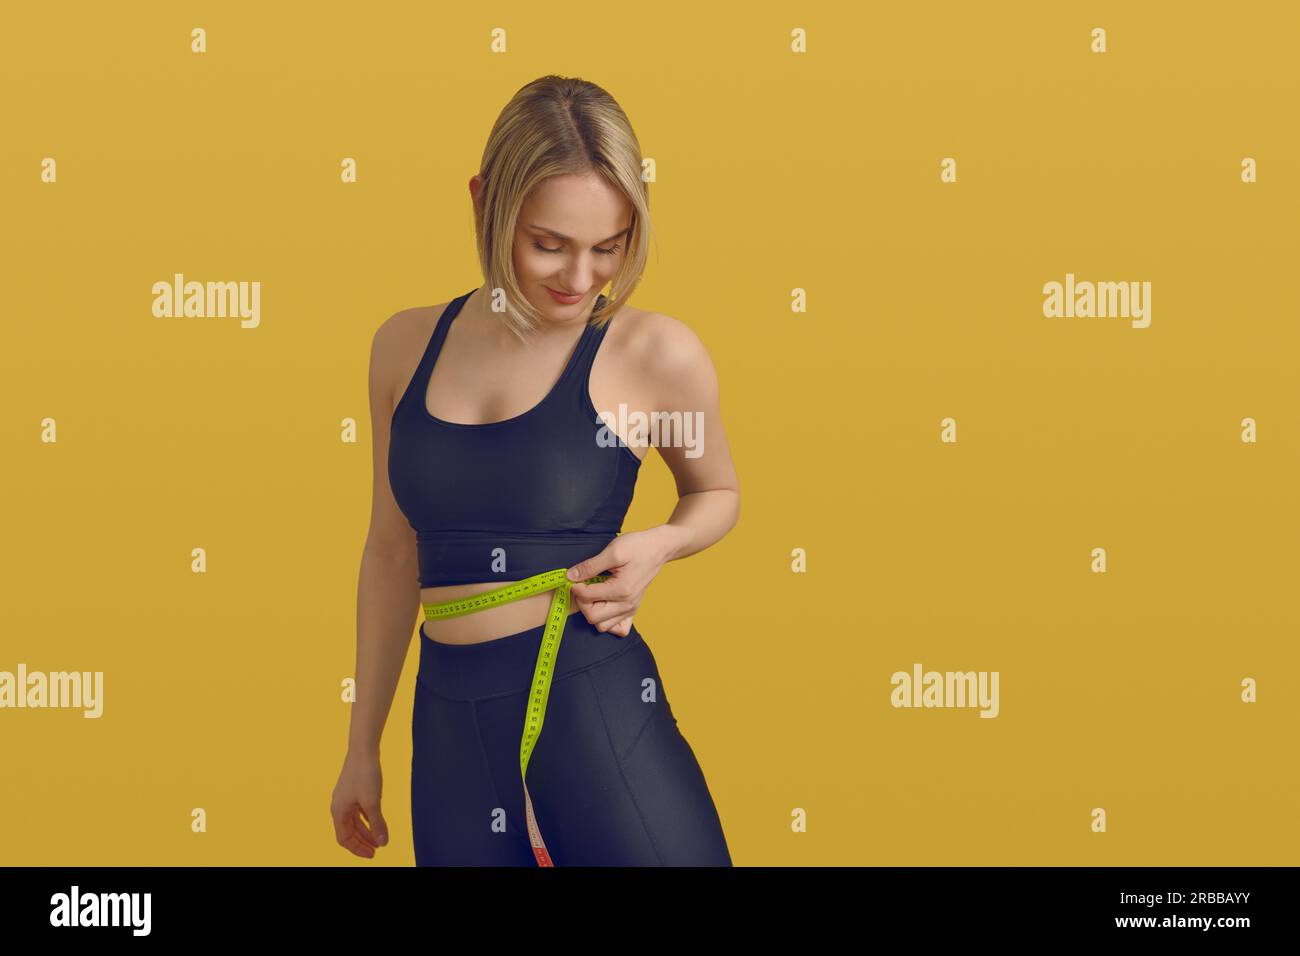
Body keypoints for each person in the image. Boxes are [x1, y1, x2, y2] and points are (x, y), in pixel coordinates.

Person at [330, 75, 739, 865]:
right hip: (447, 729)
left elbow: (715, 492)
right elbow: (389, 551)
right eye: (548, 243)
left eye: (608, 248)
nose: (580, 279)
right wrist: (361, 747)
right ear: (484, 201)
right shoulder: (403, 347)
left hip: (592, 710)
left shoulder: (654, 353)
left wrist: (657, 547)